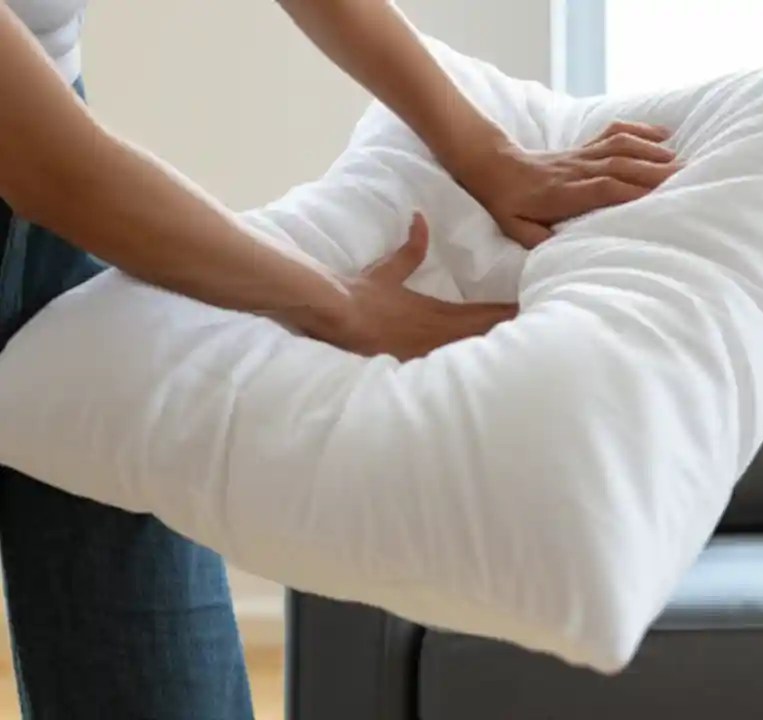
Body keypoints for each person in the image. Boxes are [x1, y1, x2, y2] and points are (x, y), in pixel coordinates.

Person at [0, 1, 679, 717]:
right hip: (47, 160)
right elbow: (54, 171)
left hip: (44, 137)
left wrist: (486, 154)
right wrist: (340, 305)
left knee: (151, 651)